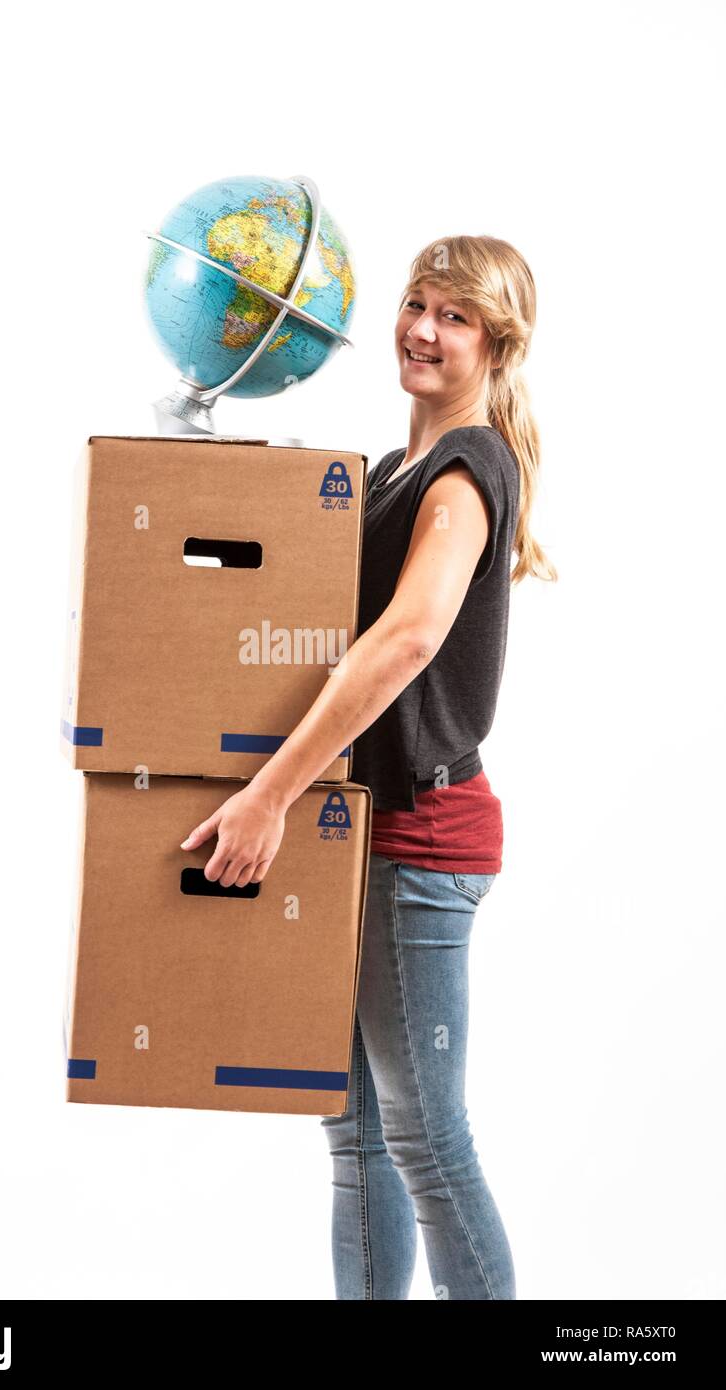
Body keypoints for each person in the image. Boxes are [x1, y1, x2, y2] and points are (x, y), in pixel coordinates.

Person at [180, 234, 556, 1299]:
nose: (420, 330)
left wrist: (266, 794)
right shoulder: (390, 471)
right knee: (354, 1135)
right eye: (414, 303)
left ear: (496, 346)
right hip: (360, 833)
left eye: (453, 317)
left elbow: (404, 640)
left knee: (424, 1139)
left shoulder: (466, 467)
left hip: (420, 838)